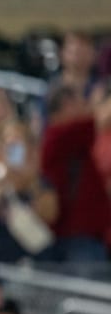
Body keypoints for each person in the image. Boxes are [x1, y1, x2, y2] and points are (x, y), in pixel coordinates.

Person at [40, 85, 111, 267]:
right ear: (67, 104)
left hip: (86, 237)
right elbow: (99, 119)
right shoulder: (58, 135)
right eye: (80, 102)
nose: (85, 106)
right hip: (77, 239)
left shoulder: (67, 136)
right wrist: (99, 101)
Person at [0, 122, 58, 264]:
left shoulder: (40, 182)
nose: (13, 150)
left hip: (36, 262)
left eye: (18, 144)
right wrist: (3, 183)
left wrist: (30, 180)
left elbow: (50, 213)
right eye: (8, 144)